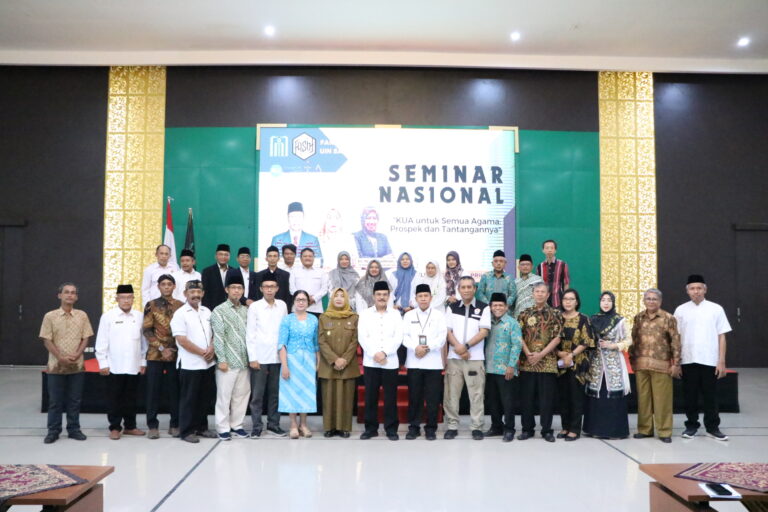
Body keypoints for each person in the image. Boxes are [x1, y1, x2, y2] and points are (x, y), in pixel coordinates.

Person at [674, 274, 732, 441]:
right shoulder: (680, 310)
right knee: (689, 395)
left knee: (711, 396)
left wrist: (721, 361)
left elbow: (722, 336)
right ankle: (691, 426)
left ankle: (713, 427)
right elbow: (676, 338)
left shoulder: (716, 309)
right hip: (688, 359)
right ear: (687, 291)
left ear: (705, 289)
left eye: (699, 288)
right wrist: (676, 362)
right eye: (692, 288)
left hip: (710, 360)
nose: (696, 291)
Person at [39, 282, 94, 444]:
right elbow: (46, 339)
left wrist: (78, 353)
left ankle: (74, 429)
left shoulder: (82, 315)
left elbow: (86, 337)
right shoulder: (50, 316)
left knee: (75, 400)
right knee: (55, 401)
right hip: (56, 365)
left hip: (77, 364)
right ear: (60, 295)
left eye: (73, 293)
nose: (70, 295)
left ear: (76, 297)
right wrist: (60, 357)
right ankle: (53, 431)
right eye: (67, 292)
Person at [95, 284, 147, 440]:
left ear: (133, 298)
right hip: (114, 365)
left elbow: (144, 342)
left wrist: (143, 362)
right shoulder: (108, 316)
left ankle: (130, 426)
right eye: (123, 297)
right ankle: (115, 427)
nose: (126, 300)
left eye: (129, 297)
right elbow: (101, 341)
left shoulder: (139, 316)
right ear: (117, 299)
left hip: (133, 364)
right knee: (114, 397)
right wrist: (102, 363)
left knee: (131, 397)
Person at [630, 288, 681, 444]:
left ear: (660, 301)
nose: (651, 301)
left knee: (662, 400)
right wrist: (632, 360)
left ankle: (664, 431)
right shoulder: (638, 318)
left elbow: (675, 342)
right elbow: (633, 339)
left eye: (654, 299)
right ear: (644, 301)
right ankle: (645, 429)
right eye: (648, 299)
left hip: (661, 365)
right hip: (641, 364)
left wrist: (676, 363)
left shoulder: (668, 318)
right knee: (643, 399)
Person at [444, 276, 491, 440]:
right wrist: (458, 347)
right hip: (454, 358)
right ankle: (451, 425)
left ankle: (477, 426)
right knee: (451, 394)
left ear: (475, 289)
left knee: (476, 394)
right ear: (459, 290)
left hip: (475, 358)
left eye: (469, 287)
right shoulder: (451, 307)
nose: (466, 290)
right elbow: (448, 331)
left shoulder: (484, 308)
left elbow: (484, 331)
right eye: (462, 287)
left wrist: (466, 346)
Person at [170, 280, 218, 443]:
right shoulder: (180, 314)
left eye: (198, 292)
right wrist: (202, 352)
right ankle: (187, 431)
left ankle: (202, 427)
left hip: (208, 363)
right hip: (190, 364)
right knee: (189, 399)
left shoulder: (207, 311)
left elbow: (213, 333)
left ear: (203, 293)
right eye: (192, 292)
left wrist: (211, 348)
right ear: (185, 294)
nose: (196, 295)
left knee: (204, 398)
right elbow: (182, 340)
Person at [517, 282, 563, 442]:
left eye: (543, 291)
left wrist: (541, 354)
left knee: (546, 400)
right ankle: (527, 429)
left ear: (548, 295)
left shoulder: (556, 314)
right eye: (537, 291)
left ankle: (546, 430)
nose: (540, 294)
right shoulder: (524, 313)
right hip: (527, 362)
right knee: (526, 399)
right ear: (532, 294)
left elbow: (558, 337)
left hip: (547, 363)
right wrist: (529, 353)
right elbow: (519, 335)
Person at [358, 281, 403, 441]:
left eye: (385, 294)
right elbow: (362, 337)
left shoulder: (396, 314)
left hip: (390, 362)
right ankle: (371, 429)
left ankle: (391, 429)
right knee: (371, 396)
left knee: (390, 397)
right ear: (373, 296)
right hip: (371, 362)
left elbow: (398, 337)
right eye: (379, 294)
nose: (382, 297)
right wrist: (374, 353)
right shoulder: (365, 314)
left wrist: (384, 353)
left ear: (389, 296)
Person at [403, 284, 448, 441]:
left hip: (433, 363)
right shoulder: (408, 316)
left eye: (426, 296)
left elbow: (442, 337)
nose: (423, 299)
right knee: (414, 397)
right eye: (420, 296)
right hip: (414, 362)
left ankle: (431, 428)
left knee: (432, 398)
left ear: (431, 298)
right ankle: (414, 428)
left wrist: (427, 348)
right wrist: (415, 348)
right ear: (415, 298)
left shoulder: (439, 315)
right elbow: (404, 336)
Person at [583, 291, 631, 439]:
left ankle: (615, 431)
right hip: (596, 363)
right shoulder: (593, 320)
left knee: (613, 396)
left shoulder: (620, 320)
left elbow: (629, 340)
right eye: (603, 300)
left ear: (613, 302)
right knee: (597, 395)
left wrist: (614, 345)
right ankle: (594, 429)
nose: (606, 303)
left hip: (614, 363)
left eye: (609, 300)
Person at [246, 274, 289, 438]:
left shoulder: (282, 306)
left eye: (273, 286)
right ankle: (256, 426)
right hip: (260, 357)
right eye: (266, 286)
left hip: (278, 357)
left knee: (275, 393)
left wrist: (285, 356)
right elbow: (250, 334)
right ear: (261, 289)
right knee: (257, 395)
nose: (269, 289)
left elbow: (285, 332)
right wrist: (252, 357)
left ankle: (273, 424)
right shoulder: (254, 307)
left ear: (277, 288)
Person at [142, 274, 183, 439]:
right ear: (158, 287)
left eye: (169, 284)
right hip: (155, 354)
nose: (166, 287)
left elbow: (183, 330)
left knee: (174, 391)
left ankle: (175, 424)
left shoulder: (181, 306)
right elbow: (147, 329)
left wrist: (171, 349)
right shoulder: (151, 305)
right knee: (153, 391)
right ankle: (152, 426)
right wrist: (161, 348)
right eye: (163, 284)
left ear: (174, 287)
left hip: (175, 354)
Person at [211, 272, 251, 441]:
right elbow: (218, 337)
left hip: (244, 361)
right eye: (233, 288)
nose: (236, 291)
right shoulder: (219, 310)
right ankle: (222, 427)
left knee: (241, 395)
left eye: (239, 288)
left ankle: (237, 425)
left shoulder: (247, 310)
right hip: (227, 362)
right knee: (224, 396)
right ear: (226, 289)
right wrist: (222, 360)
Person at [318, 288, 360, 438]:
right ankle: (329, 427)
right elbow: (321, 340)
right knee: (328, 396)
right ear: (331, 299)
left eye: (343, 296)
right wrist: (334, 359)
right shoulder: (324, 317)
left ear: (347, 299)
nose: (339, 298)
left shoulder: (354, 317)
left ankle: (344, 428)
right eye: (336, 296)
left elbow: (355, 340)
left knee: (346, 397)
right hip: (329, 365)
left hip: (348, 365)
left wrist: (344, 359)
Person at [278, 290, 320, 439]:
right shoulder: (287, 320)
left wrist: (318, 362)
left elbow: (316, 344)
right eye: (298, 299)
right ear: (294, 302)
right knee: (291, 392)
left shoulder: (314, 319)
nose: (301, 302)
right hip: (292, 360)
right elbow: (281, 344)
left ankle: (303, 424)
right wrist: (284, 365)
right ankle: (293, 425)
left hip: (308, 361)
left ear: (308, 302)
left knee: (306, 392)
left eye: (304, 299)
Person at [555, 288, 594, 441]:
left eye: (571, 299)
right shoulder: (557, 318)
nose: (568, 302)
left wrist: (571, 355)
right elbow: (551, 338)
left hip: (578, 363)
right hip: (560, 363)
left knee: (576, 397)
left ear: (576, 302)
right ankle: (565, 427)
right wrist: (560, 354)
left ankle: (575, 429)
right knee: (563, 397)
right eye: (565, 299)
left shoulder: (584, 318)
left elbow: (587, 341)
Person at [484, 292, 523, 442]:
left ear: (506, 307)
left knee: (508, 402)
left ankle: (509, 429)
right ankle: (496, 427)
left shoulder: (512, 323)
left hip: (506, 369)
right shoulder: (487, 323)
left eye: (501, 305)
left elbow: (517, 344)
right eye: (495, 305)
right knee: (493, 401)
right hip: (489, 368)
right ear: (490, 307)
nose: (497, 308)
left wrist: (511, 366)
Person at [250, 245, 293, 313]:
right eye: (270, 256)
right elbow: (257, 294)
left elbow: (287, 295)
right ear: (266, 258)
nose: (272, 258)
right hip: (263, 310)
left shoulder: (285, 275)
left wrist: (287, 310)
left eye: (275, 256)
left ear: (278, 258)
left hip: (280, 309)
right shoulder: (258, 275)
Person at [289, 248, 329, 316]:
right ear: (301, 259)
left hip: (316, 309)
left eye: (310, 256)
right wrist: (303, 298)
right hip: (297, 309)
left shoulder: (322, 272)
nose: (308, 258)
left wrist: (313, 298)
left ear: (313, 258)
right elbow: (292, 289)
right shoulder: (294, 271)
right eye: (305, 256)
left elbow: (324, 289)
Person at [536, 240, 570, 308]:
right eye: (547, 248)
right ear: (543, 250)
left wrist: (566, 299)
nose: (549, 250)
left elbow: (566, 283)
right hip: (544, 302)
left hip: (558, 301)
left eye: (552, 248)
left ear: (555, 250)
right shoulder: (539, 267)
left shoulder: (562, 264)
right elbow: (538, 285)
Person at [201, 244, 231, 310]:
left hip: (231, 309)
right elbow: (205, 294)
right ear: (216, 256)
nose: (223, 257)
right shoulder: (207, 272)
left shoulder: (234, 271)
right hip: (213, 309)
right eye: (220, 254)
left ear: (229, 256)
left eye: (226, 255)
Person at [513, 254, 543, 318]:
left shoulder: (538, 280)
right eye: (523, 265)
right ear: (518, 267)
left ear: (532, 266)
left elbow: (543, 297)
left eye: (527, 264)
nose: (525, 267)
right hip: (518, 315)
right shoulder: (515, 282)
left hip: (534, 315)